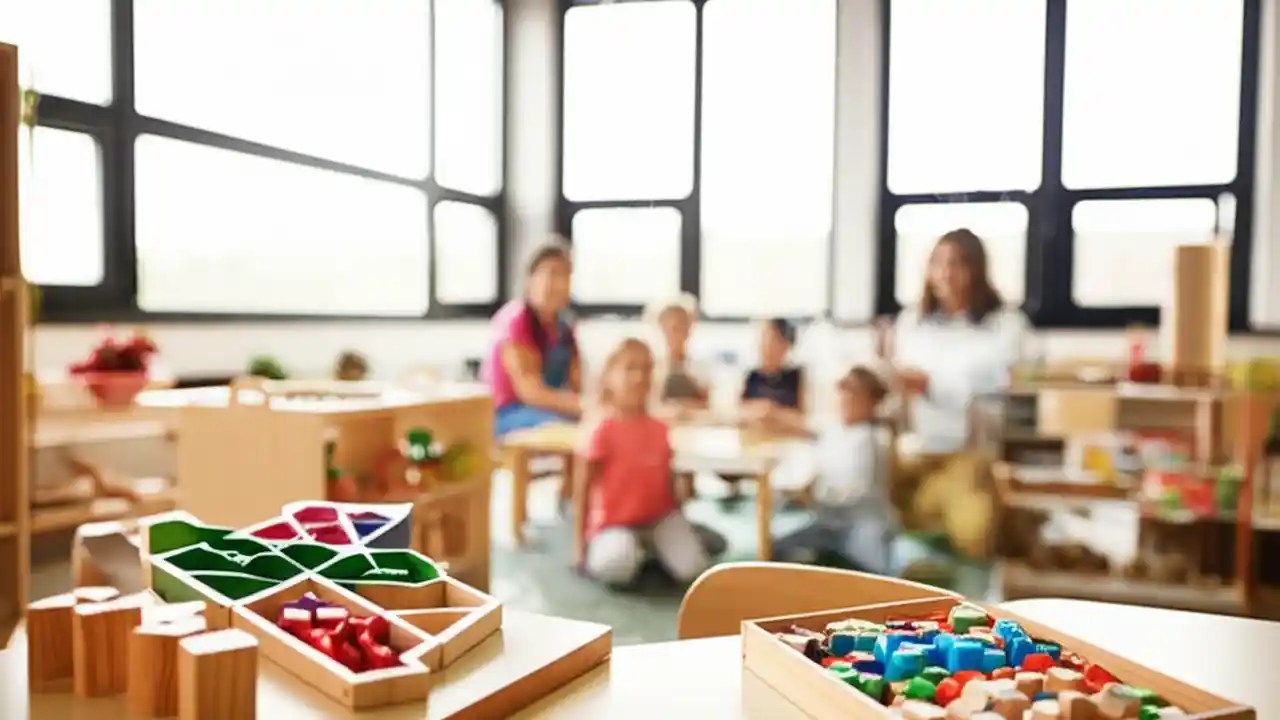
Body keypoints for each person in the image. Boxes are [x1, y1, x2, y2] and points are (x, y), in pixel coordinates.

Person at [881, 228, 1028, 559]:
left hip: (969, 454)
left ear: (977, 270)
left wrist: (931, 385)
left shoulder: (1003, 325)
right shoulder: (912, 323)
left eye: (957, 264)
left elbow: (996, 388)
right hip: (918, 450)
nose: (946, 274)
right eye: (938, 263)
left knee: (972, 532)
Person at [575, 338, 712, 588]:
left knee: (693, 568)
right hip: (614, 524)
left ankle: (658, 549)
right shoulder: (602, 429)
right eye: (630, 369)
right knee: (615, 567)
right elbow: (583, 488)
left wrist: (681, 516)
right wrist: (580, 548)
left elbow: (669, 484)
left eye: (647, 369)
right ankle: (641, 553)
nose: (640, 377)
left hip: (659, 520)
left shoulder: (660, 428)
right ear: (608, 376)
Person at [774, 366, 893, 572]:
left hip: (860, 523)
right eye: (844, 391)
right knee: (775, 551)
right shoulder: (832, 430)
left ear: (871, 402)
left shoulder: (876, 438)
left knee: (875, 571)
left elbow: (854, 489)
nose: (846, 398)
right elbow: (801, 429)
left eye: (854, 393)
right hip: (826, 521)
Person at [483, 239, 582, 436]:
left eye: (559, 274)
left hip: (551, 411)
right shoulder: (515, 320)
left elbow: (576, 385)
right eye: (542, 274)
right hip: (508, 414)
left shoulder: (565, 328)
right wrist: (583, 405)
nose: (549, 283)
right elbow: (530, 393)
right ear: (528, 280)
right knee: (570, 431)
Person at [645, 292, 711, 418]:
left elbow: (710, 407)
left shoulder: (701, 368)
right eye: (670, 326)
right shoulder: (651, 367)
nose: (675, 332)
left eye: (682, 325)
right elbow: (648, 407)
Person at [740, 318, 807, 434]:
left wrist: (774, 413)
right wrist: (758, 411)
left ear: (785, 345)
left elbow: (805, 420)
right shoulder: (752, 376)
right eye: (762, 340)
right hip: (754, 440)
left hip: (787, 440)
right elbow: (738, 412)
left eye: (771, 340)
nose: (765, 346)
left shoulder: (797, 377)